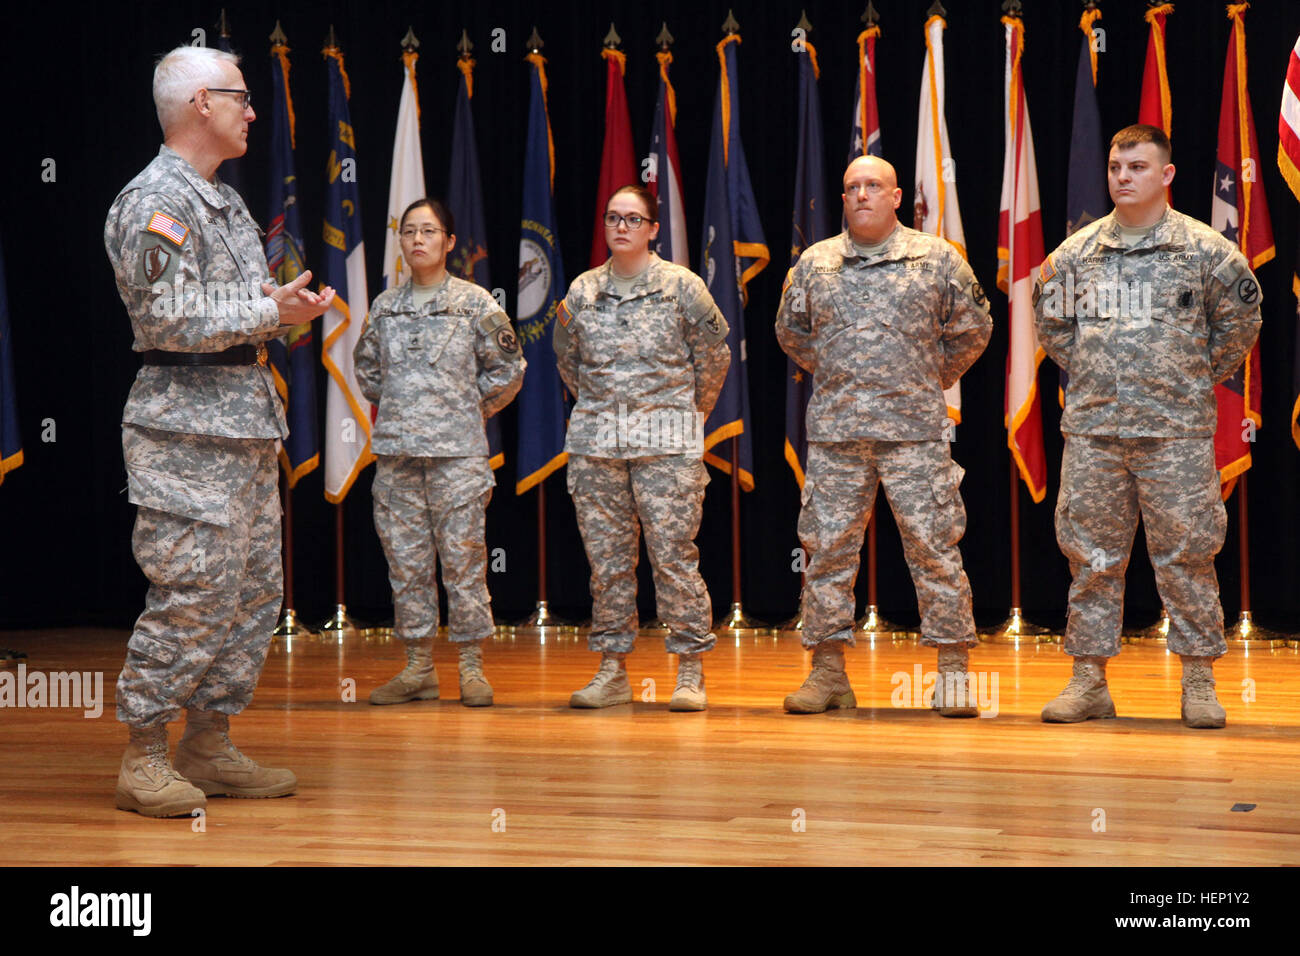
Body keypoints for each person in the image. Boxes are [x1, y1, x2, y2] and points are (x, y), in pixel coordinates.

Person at [105, 46, 335, 817]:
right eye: (242, 96)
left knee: (249, 594)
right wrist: (272, 312)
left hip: (242, 422)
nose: (253, 110)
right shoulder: (154, 204)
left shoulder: (226, 203)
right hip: (183, 431)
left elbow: (228, 303)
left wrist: (279, 299)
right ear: (203, 102)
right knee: (193, 592)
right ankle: (144, 756)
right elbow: (164, 317)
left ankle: (208, 742)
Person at [1033, 124, 1261, 728]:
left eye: (1136, 166)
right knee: (1091, 557)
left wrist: (1184, 377)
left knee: (1187, 555)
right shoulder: (1076, 255)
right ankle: (1088, 680)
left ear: (1166, 175)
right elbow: (1054, 329)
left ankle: (1199, 682)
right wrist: (1095, 373)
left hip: (1175, 435)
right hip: (1094, 433)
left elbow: (1239, 326)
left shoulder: (1207, 250)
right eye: (1115, 167)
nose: (1123, 177)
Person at [776, 155, 991, 716]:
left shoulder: (937, 259)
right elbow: (791, 333)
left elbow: (973, 330)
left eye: (874, 186)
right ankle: (827, 674)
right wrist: (847, 375)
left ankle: (952, 675)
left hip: (914, 433)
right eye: (852, 187)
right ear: (842, 199)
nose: (862, 194)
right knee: (825, 553)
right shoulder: (815, 264)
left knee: (934, 548)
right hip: (837, 434)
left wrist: (922, 378)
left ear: (898, 197)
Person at [554, 185, 729, 711]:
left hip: (667, 447)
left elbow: (713, 360)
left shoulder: (683, 288)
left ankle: (690, 670)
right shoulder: (583, 291)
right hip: (598, 446)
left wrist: (682, 418)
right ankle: (612, 670)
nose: (621, 227)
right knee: (607, 562)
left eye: (633, 219)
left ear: (654, 229)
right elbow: (569, 363)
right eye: (613, 218)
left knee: (674, 557)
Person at [354, 198, 524, 707]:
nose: (418, 240)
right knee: (406, 566)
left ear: (450, 242)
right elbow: (367, 372)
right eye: (409, 232)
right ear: (401, 241)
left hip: (458, 459)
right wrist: (410, 409)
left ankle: (471, 668)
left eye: (430, 231)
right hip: (399, 459)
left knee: (463, 565)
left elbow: (510, 369)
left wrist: (464, 410)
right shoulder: (385, 307)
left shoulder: (476, 304)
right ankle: (418, 668)